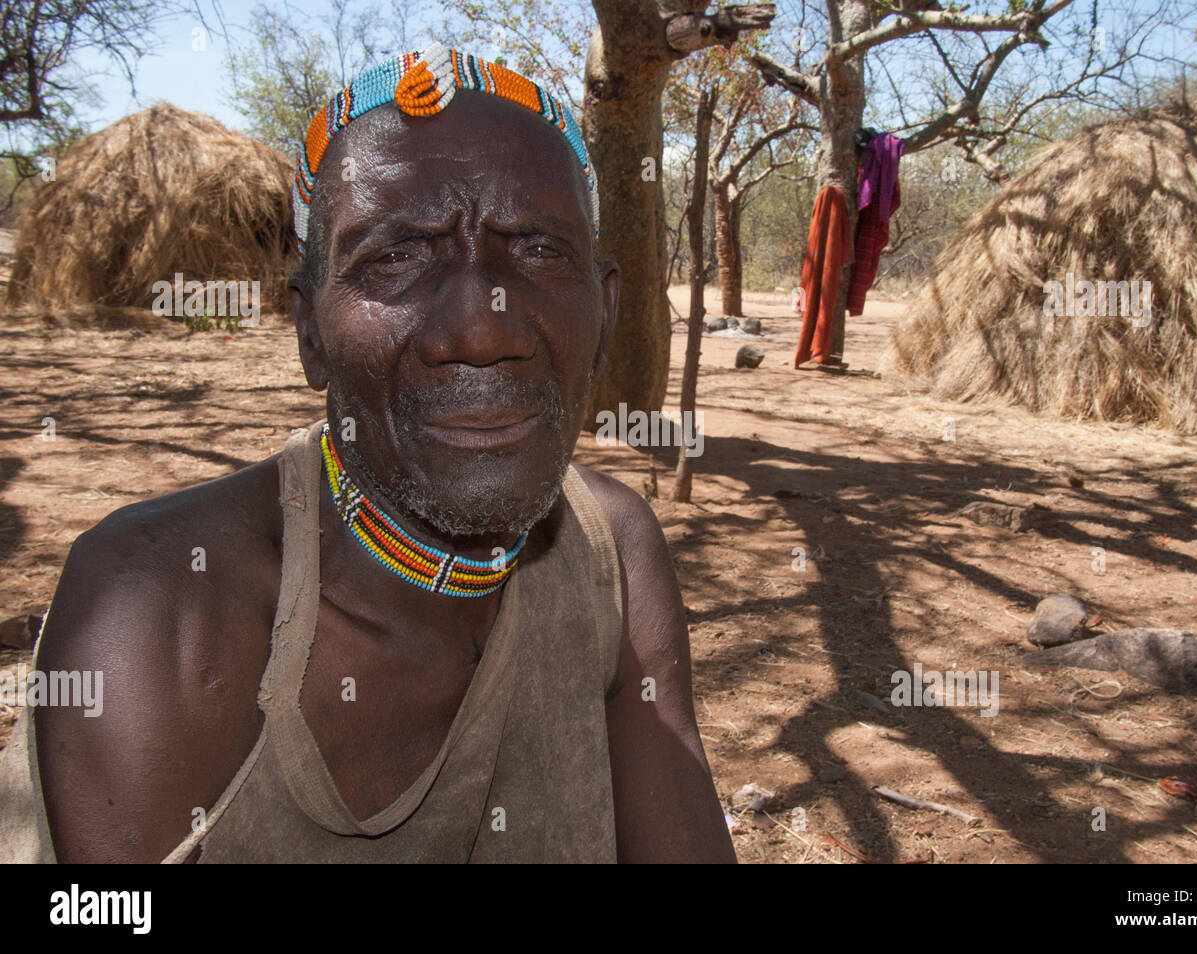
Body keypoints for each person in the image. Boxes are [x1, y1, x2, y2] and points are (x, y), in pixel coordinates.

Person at [0, 41, 736, 863]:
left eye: (535, 247)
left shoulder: (617, 555)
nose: (482, 328)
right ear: (309, 332)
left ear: (603, 313)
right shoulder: (158, 612)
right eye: (397, 254)